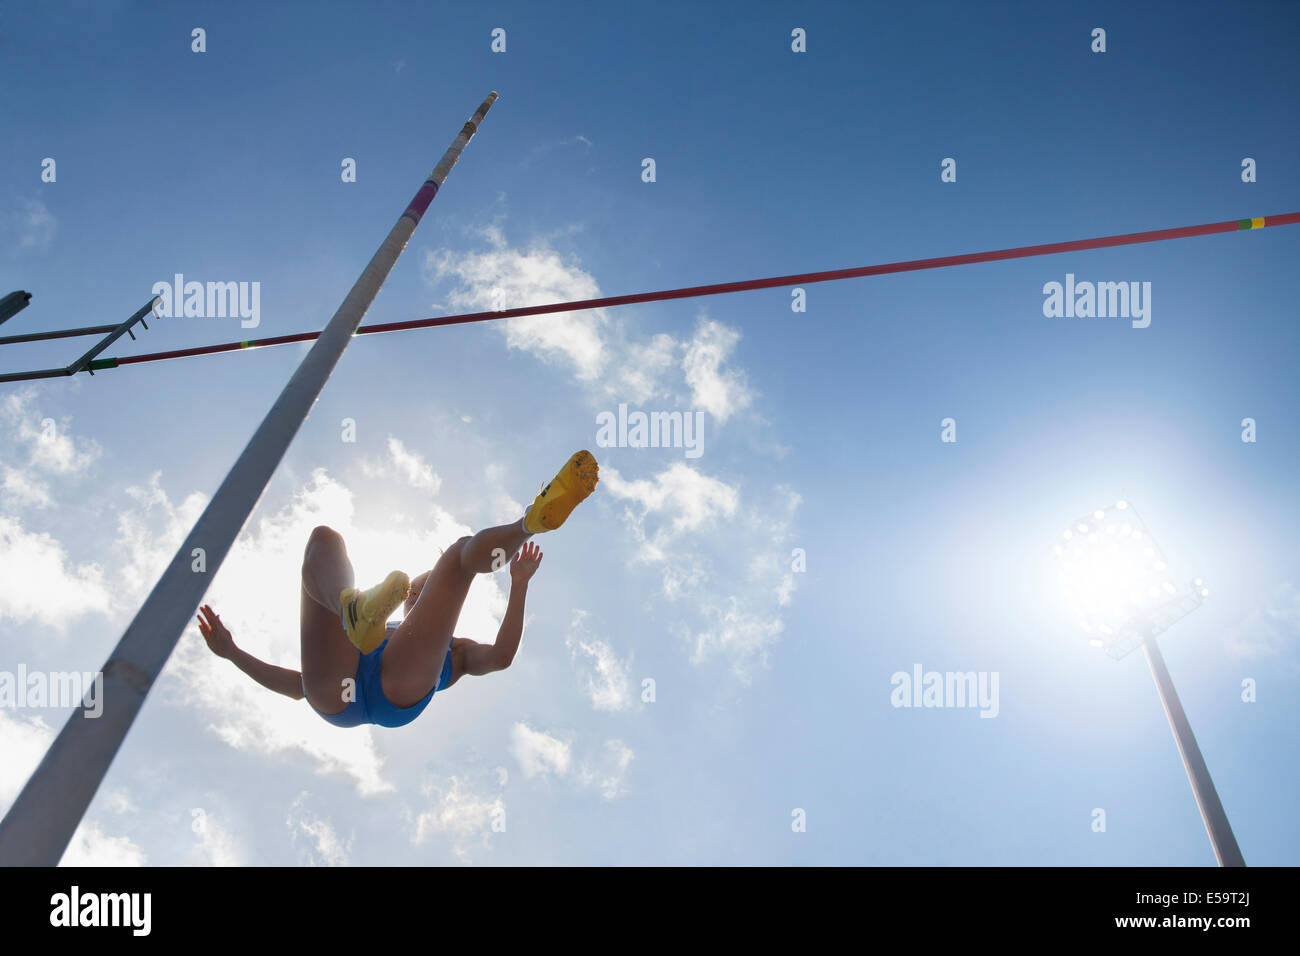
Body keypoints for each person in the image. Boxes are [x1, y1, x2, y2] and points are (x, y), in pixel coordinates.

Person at [197, 450, 599, 728]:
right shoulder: (406, 636)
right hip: (349, 685)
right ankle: (348, 607)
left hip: (355, 694)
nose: (413, 595)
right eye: (411, 593)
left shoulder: (455, 651)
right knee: (324, 539)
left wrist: (519, 584)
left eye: (418, 592)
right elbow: (298, 687)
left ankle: (530, 522)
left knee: (458, 556)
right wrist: (231, 653)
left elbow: (501, 657)